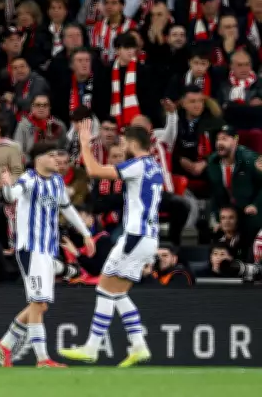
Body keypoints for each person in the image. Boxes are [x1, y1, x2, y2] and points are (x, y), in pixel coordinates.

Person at [60, 120, 162, 367]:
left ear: (134, 143)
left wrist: (84, 144)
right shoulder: (155, 167)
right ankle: (139, 344)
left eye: (125, 142)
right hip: (149, 237)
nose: (122, 146)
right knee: (118, 292)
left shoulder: (137, 165)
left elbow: (94, 171)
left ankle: (92, 348)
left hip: (134, 237)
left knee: (104, 289)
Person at [0, 141, 94, 368]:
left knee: (40, 305)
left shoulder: (57, 182)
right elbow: (12, 196)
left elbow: (67, 208)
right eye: (52, 155)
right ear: (39, 159)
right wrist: (7, 186)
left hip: (48, 250)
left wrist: (86, 233)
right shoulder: (29, 179)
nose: (57, 160)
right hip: (31, 248)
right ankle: (42, 359)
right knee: (38, 303)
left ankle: (5, 344)